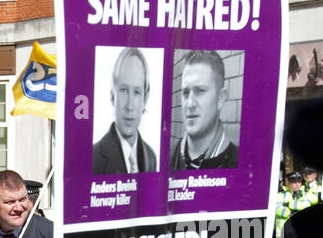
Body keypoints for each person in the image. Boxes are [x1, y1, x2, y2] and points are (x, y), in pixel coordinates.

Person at [91, 47, 157, 175]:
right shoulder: (93, 158)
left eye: (137, 92)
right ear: (112, 95)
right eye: (124, 90)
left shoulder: (151, 157)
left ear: (146, 98)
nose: (130, 105)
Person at [169, 50, 239, 170]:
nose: (190, 103)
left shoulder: (237, 163)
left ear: (221, 98)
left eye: (200, 91)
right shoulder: (166, 158)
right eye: (185, 93)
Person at [274, 171, 315, 238]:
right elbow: (276, 209)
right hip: (283, 234)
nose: (297, 184)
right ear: (289, 183)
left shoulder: (305, 194)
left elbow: (307, 206)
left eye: (299, 182)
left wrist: (289, 204)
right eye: (294, 182)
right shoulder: (281, 195)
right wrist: (288, 211)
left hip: (300, 233)